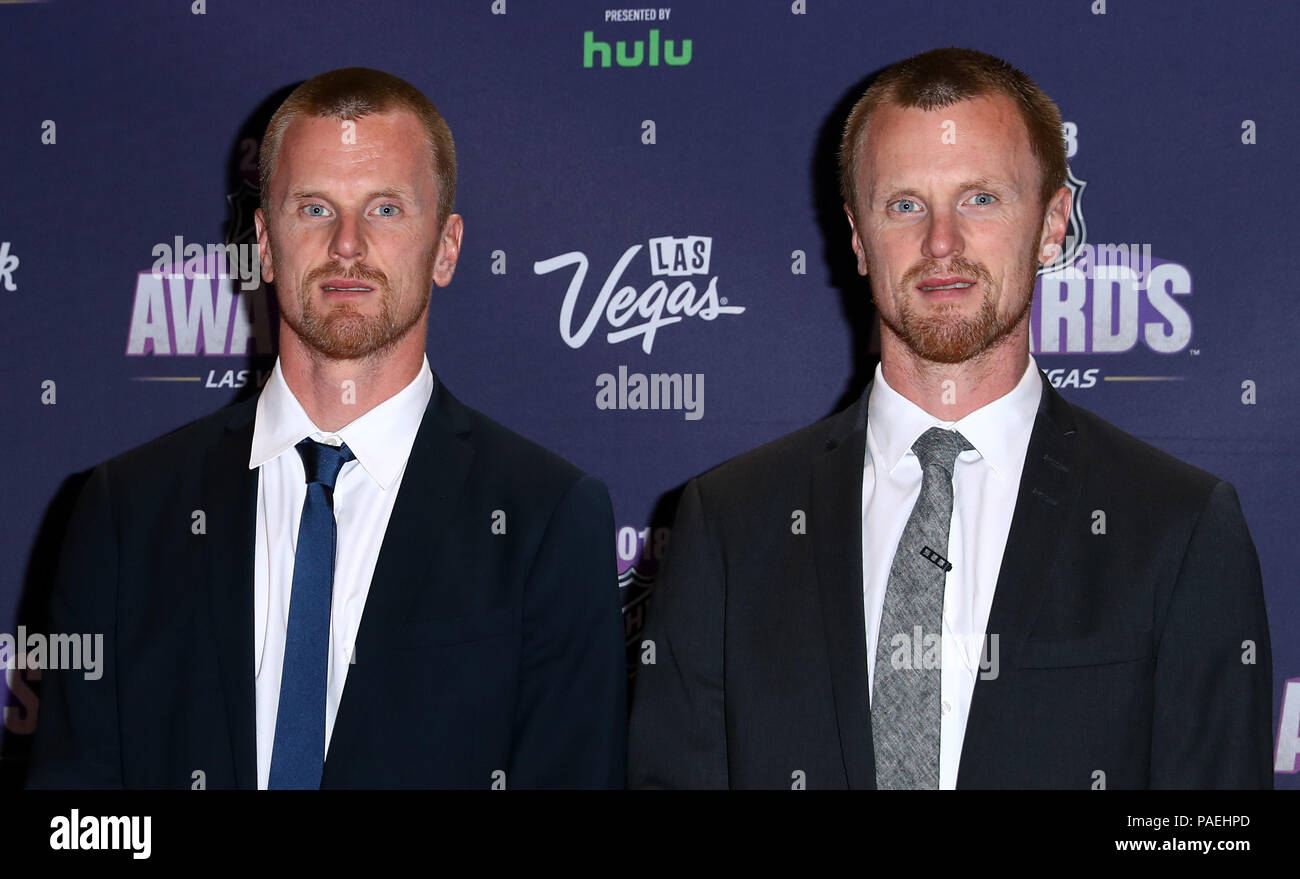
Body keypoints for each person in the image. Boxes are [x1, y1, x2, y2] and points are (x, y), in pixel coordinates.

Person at [627, 47, 1273, 789]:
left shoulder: (1178, 527)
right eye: (905, 204)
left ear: (1054, 223)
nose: (942, 243)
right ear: (857, 237)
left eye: (981, 199)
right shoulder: (731, 525)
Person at [28, 67, 625, 789]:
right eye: (313, 207)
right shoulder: (126, 512)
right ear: (264, 242)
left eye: (385, 209)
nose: (347, 243)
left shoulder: (545, 520)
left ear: (447, 247)